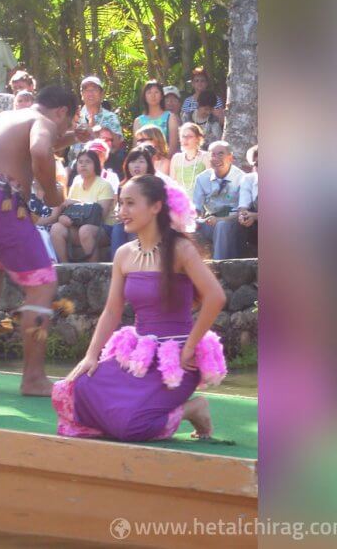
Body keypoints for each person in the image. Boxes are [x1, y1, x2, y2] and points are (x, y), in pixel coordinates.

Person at [52, 174, 227, 442]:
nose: (122, 211)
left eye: (131, 203)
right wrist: (91, 356)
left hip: (176, 360)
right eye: (121, 203)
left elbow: (215, 297)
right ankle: (143, 410)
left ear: (156, 206)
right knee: (80, 389)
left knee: (131, 427)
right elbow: (112, 311)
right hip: (138, 355)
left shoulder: (180, 249)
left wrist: (191, 347)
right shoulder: (124, 254)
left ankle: (194, 408)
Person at [0, 86, 82, 395]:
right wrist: (53, 194)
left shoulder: (6, 117)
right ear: (61, 111)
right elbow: (40, 149)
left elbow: (39, 143)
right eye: (67, 123)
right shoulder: (45, 122)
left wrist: (73, 137)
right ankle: (33, 378)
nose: (62, 130)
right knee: (42, 284)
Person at [50, 150, 116, 263]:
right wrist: (63, 218)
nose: (83, 165)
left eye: (88, 162)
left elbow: (100, 216)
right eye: (80, 162)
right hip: (78, 227)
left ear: (95, 165)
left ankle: (95, 270)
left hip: (103, 229)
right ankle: (66, 267)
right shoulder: (76, 184)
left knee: (85, 230)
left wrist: (77, 203)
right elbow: (68, 210)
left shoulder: (104, 185)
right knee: (56, 228)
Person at [192, 141, 245, 260]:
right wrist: (195, 219)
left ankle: (218, 265)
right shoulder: (202, 179)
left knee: (222, 226)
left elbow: (242, 212)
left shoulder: (242, 179)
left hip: (233, 221)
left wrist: (220, 219)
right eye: (213, 155)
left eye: (220, 154)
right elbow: (196, 208)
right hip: (210, 220)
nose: (216, 158)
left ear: (230, 157)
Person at [109, 147, 157, 255]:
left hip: (148, 222)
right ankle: (116, 265)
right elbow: (121, 208)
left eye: (141, 161)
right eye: (133, 161)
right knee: (118, 229)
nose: (136, 165)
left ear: (148, 164)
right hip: (127, 221)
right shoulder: (123, 186)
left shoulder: (154, 184)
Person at [71, 76, 123, 161]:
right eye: (86, 90)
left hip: (104, 163)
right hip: (76, 165)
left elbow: (117, 145)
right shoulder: (75, 117)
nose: (90, 93)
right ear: (82, 94)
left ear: (102, 94)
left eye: (94, 89)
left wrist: (98, 131)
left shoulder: (111, 117)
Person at [133, 80, 179, 156]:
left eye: (156, 92)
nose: (153, 95)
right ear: (144, 96)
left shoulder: (170, 117)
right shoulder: (138, 121)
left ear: (161, 96)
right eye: (149, 92)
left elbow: (173, 146)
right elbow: (136, 147)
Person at [169, 123, 212, 196]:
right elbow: (172, 185)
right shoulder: (176, 158)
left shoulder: (205, 157)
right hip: (181, 202)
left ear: (198, 139)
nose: (186, 139)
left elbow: (210, 183)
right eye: (183, 136)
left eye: (190, 136)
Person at [238, 145, 258, 253]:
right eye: (257, 164)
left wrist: (254, 216)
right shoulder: (248, 179)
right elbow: (243, 206)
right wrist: (244, 216)